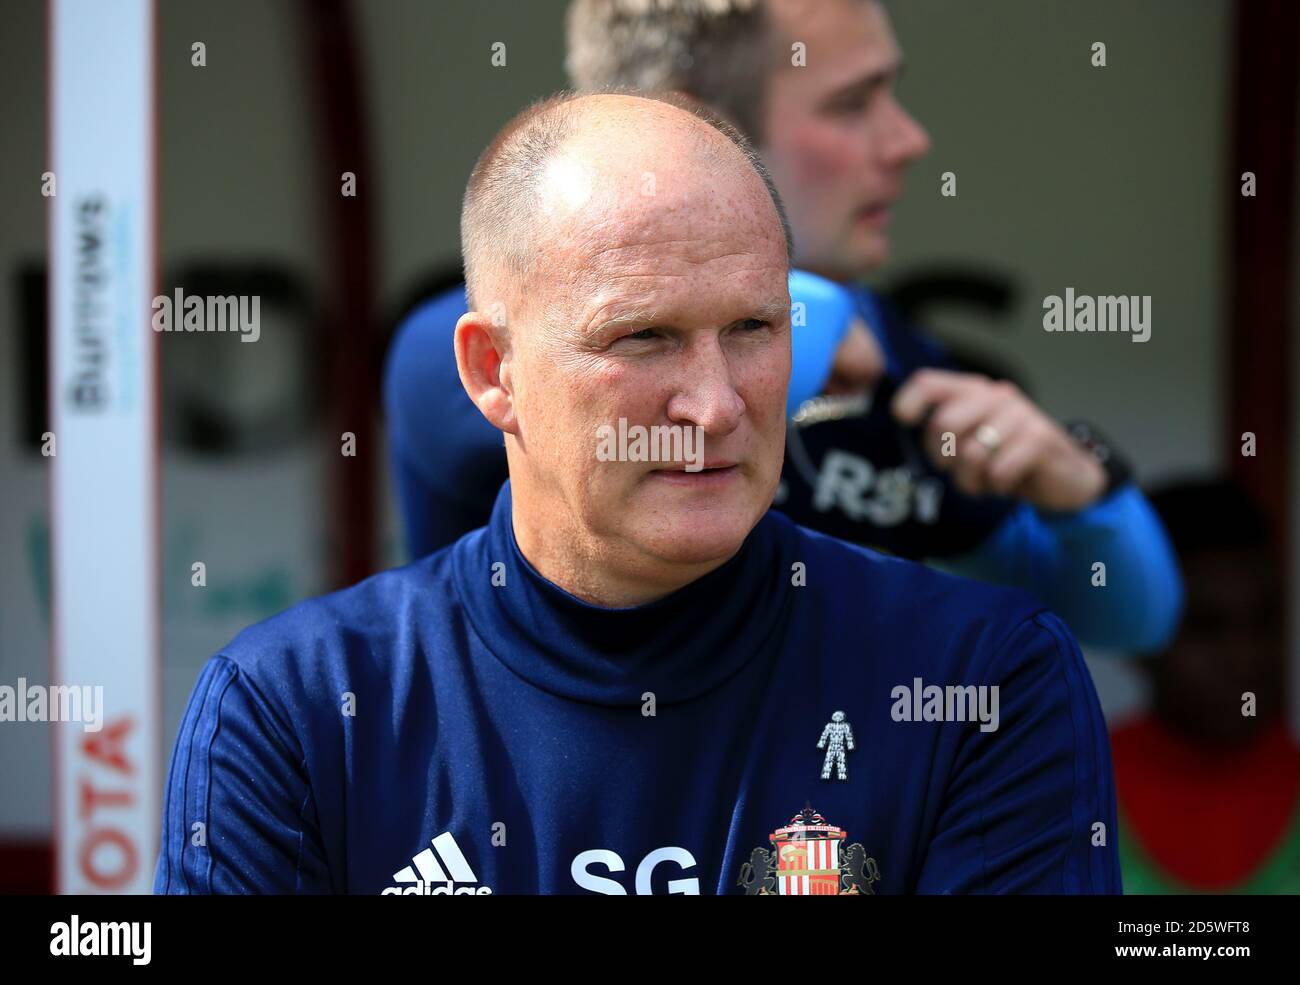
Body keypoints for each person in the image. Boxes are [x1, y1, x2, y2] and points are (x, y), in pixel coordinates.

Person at [155, 92, 1119, 894]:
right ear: (495, 371)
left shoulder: (980, 684)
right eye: (642, 338)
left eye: (751, 327)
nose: (713, 405)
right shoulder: (292, 709)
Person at [384, 0, 1182, 652]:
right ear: (688, 126)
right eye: (851, 103)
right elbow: (429, 371)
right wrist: (819, 317)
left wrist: (1086, 498)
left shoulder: (891, 349)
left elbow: (1132, 619)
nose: (909, 141)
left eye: (755, 329)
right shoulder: (478, 344)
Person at [1112, 478, 1300, 893]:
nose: (1246, 658)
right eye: (1205, 627)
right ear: (1137, 635)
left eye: (1264, 620)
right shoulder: (1065, 795)